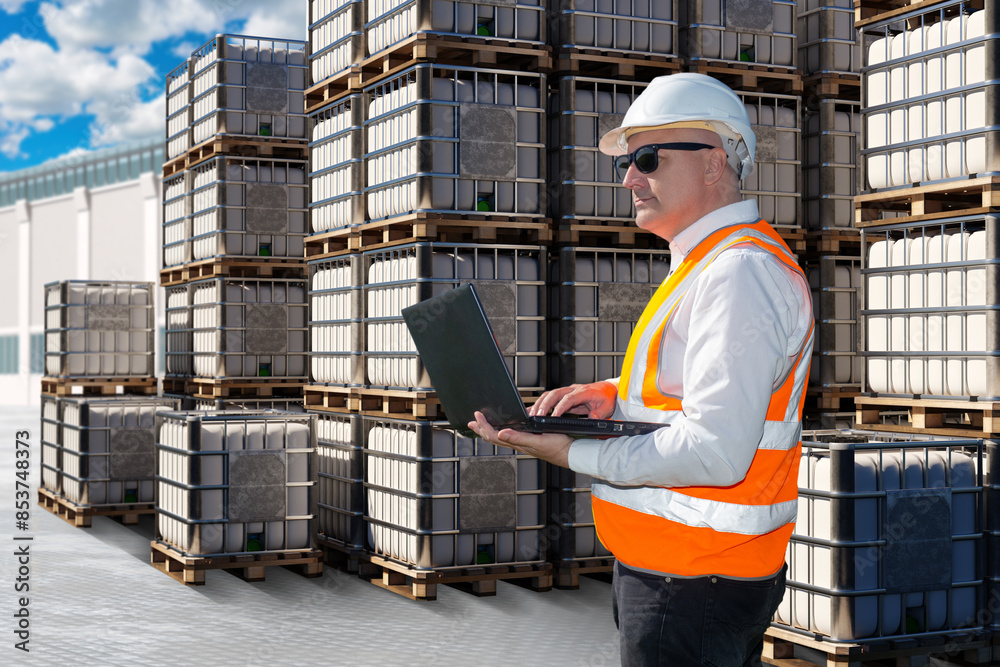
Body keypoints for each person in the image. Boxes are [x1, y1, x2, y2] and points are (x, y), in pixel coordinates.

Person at [468, 72, 814, 667]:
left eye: (648, 158)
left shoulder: (738, 274)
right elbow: (689, 392)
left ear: (714, 162)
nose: (629, 177)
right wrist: (610, 397)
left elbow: (715, 451)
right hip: (679, 573)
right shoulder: (708, 264)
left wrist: (571, 453)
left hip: (695, 579)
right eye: (628, 161)